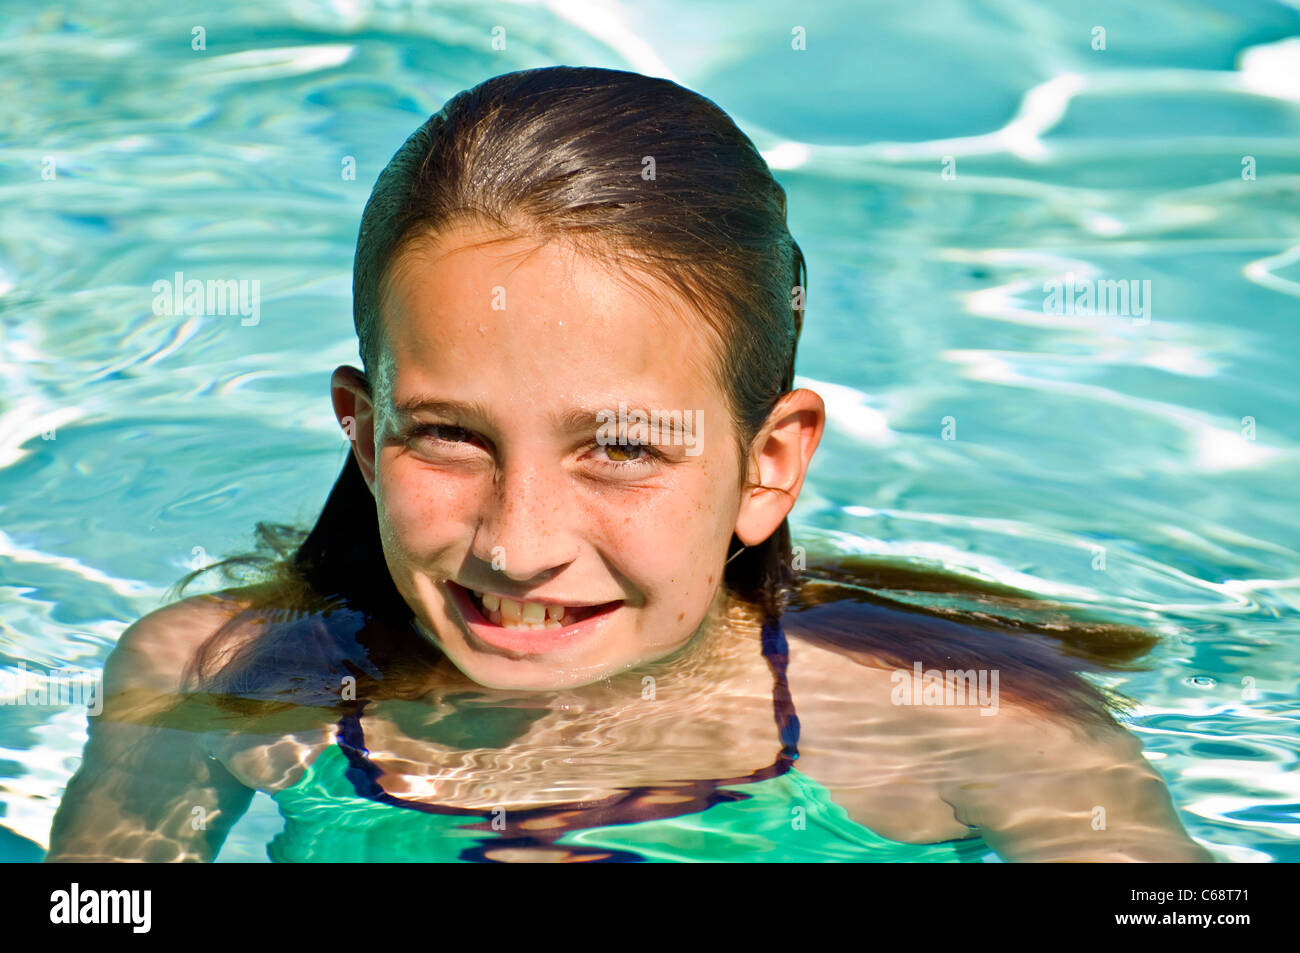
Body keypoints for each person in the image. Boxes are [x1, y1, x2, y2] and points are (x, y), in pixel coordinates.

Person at [46, 66, 1211, 863]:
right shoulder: (219, 679)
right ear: (363, 425)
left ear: (768, 464)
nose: (517, 541)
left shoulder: (970, 726)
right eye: (449, 434)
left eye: (620, 447)